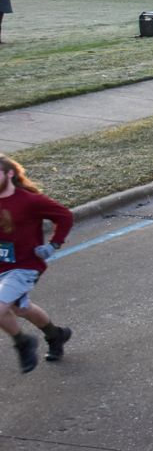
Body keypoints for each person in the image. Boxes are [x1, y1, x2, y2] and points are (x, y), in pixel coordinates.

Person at [0, 154, 73, 373]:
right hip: (2, 265)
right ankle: (55, 335)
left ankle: (23, 342)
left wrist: (53, 245)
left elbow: (65, 216)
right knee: (20, 309)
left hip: (24, 267)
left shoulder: (29, 201)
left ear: (9, 174)